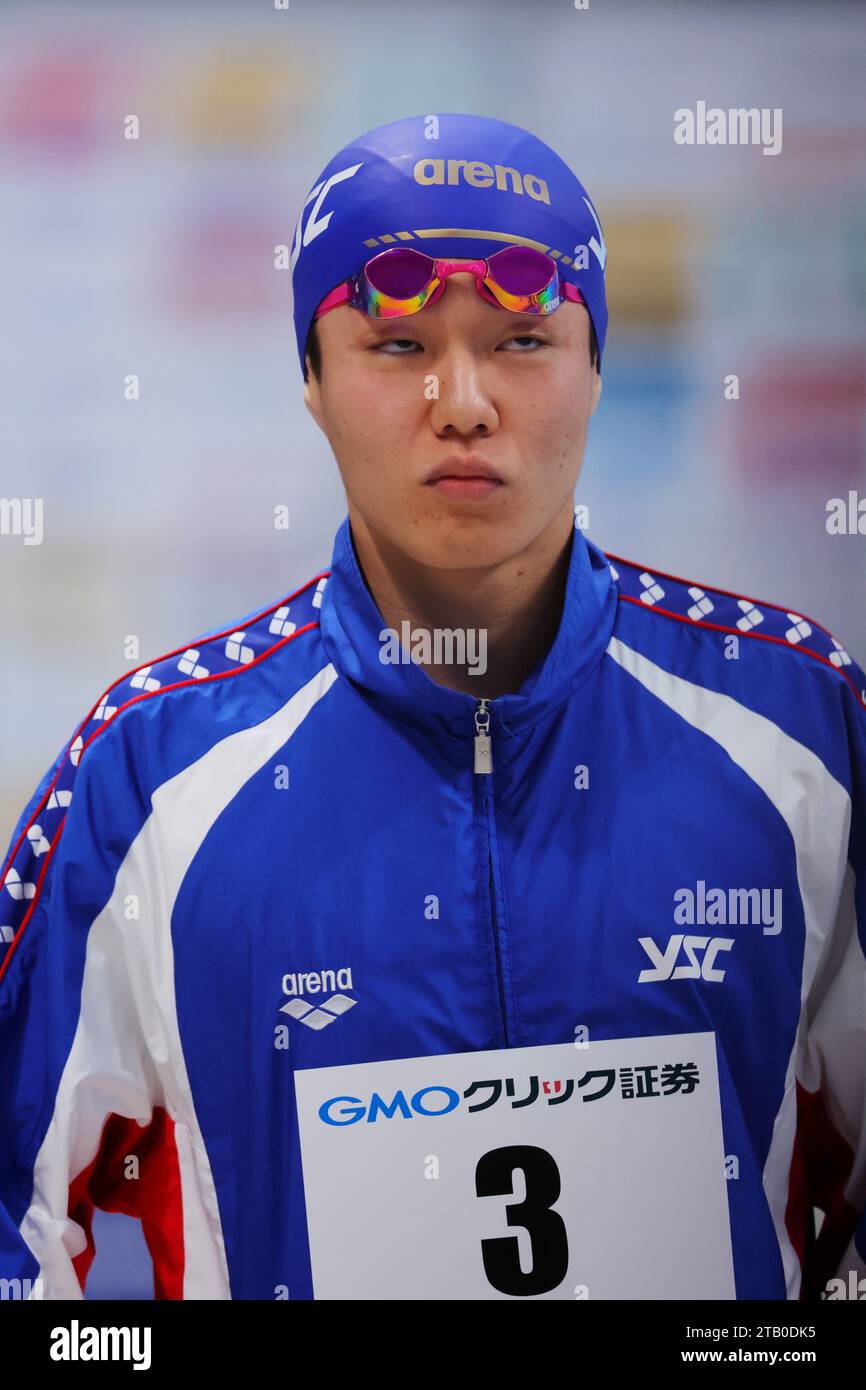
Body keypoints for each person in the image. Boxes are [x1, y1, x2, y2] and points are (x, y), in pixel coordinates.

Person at [1, 112, 864, 1302]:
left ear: (596, 365)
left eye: (521, 338)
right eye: (396, 346)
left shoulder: (800, 729)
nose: (462, 401)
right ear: (310, 378)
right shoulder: (147, 775)